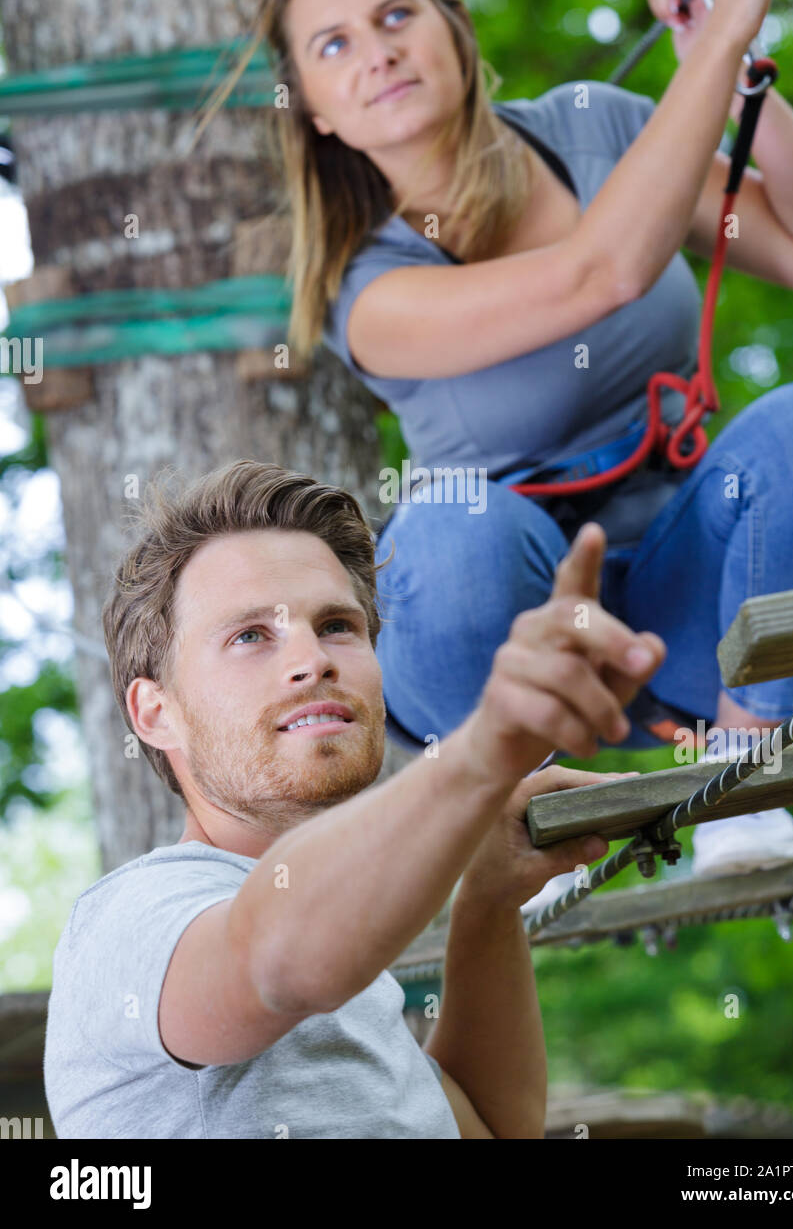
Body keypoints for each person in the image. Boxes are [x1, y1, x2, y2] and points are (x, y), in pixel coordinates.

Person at [199, 0, 793, 885]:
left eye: (395, 15)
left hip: (690, 626)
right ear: (318, 110)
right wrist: (722, 32)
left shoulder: (600, 127)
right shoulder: (362, 287)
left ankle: (741, 776)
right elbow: (596, 273)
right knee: (459, 520)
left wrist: (728, 72)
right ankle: (526, 802)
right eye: (333, 45)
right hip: (498, 651)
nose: (376, 52)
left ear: (453, 30)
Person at [43, 460, 665, 1139]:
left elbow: (491, 1126)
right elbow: (276, 962)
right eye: (250, 636)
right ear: (155, 712)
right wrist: (485, 751)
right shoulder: (129, 921)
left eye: (338, 625)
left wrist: (487, 900)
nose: (314, 659)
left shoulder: (355, 967)